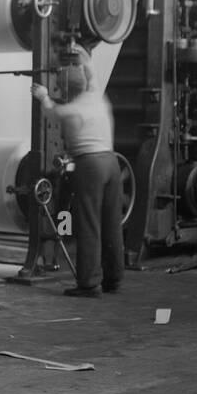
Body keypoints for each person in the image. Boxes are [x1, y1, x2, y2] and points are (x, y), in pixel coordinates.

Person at [31, 60, 124, 297]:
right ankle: (113, 280)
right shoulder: (97, 98)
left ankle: (89, 284)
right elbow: (91, 78)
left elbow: (51, 111)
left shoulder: (69, 110)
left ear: (66, 91)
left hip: (90, 165)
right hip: (112, 163)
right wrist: (82, 59)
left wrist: (42, 95)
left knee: (89, 224)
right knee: (111, 223)